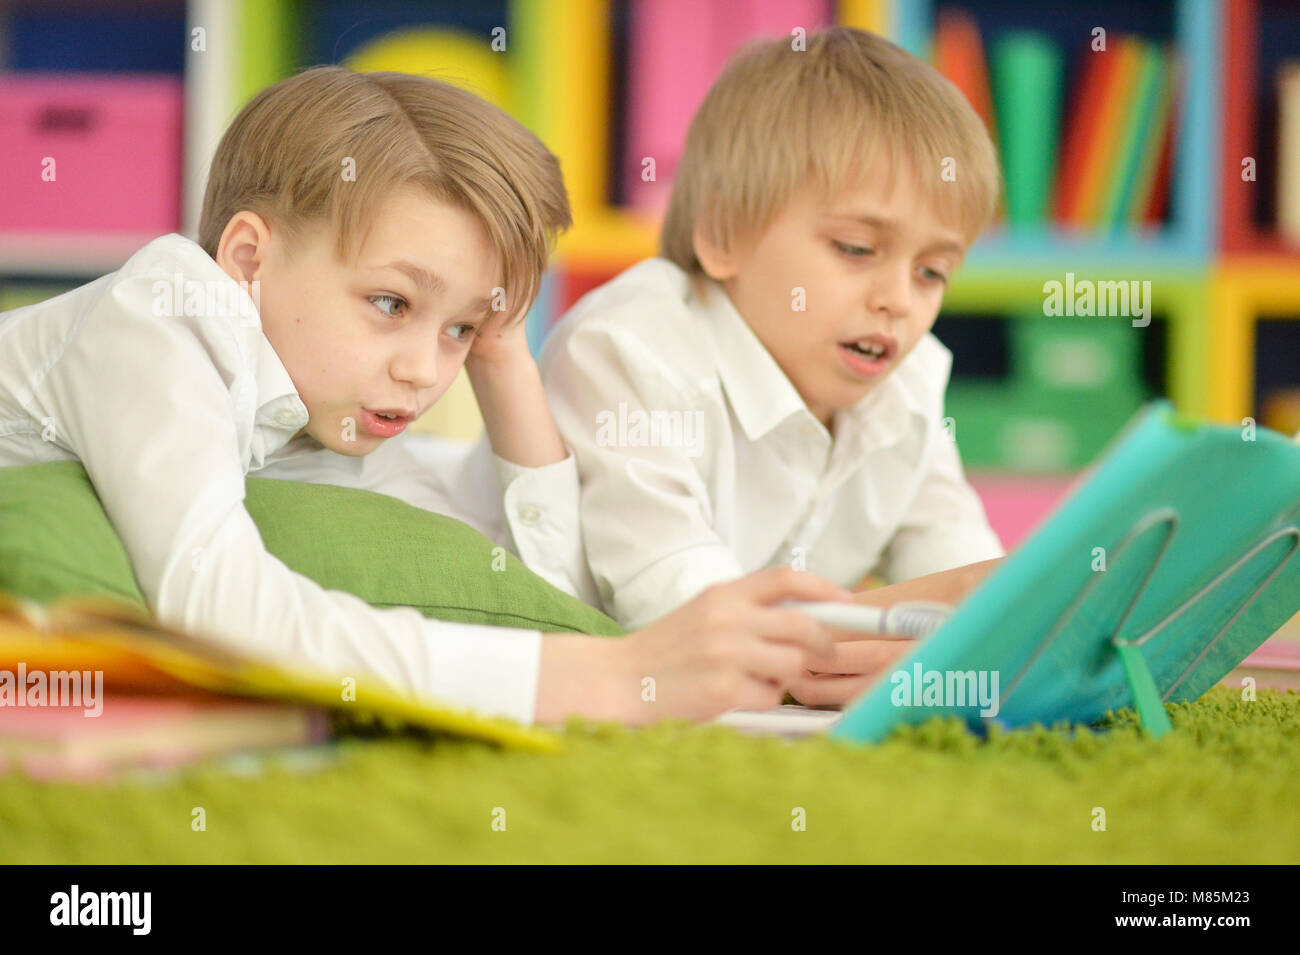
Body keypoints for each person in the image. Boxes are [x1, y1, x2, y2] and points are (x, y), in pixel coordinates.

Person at [0, 66, 849, 727]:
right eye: (391, 304)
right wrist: (614, 680)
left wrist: (504, 353)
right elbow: (218, 608)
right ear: (249, 261)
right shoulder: (162, 316)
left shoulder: (335, 423)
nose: (424, 371)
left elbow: (539, 602)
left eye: (459, 331)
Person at [539, 28, 1007, 706]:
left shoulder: (906, 381)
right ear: (725, 234)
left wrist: (973, 621)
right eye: (855, 248)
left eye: (933, 271)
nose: (899, 300)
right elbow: (685, 614)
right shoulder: (627, 351)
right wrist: (923, 625)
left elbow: (961, 566)